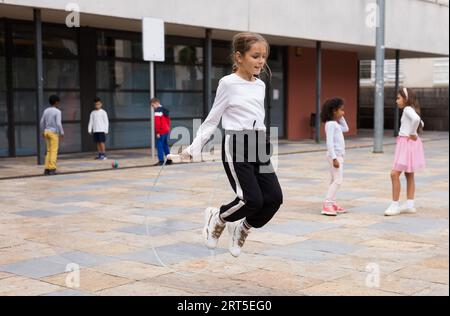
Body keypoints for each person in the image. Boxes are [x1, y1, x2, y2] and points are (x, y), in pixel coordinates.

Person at [182, 32, 283, 257]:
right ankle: (217, 218)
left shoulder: (260, 85)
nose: (261, 61)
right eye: (255, 56)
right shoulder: (227, 83)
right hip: (236, 145)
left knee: (274, 198)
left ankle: (241, 228)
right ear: (239, 57)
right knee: (251, 200)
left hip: (259, 144)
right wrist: (194, 148)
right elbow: (212, 119)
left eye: (264, 56)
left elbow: (259, 116)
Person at [385, 88, 426, 216]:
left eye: (398, 98)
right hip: (410, 143)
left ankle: (395, 205)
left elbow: (416, 120)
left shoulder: (408, 109)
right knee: (409, 174)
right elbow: (421, 122)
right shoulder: (410, 110)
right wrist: (414, 132)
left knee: (394, 174)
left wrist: (412, 133)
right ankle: (409, 205)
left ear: (406, 99)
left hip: (406, 143)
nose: (396, 101)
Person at [320, 97, 349, 216]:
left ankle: (332, 203)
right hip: (335, 156)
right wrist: (334, 158)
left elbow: (346, 128)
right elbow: (329, 142)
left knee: (333, 180)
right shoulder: (331, 124)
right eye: (341, 110)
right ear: (333, 111)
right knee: (338, 180)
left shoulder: (334, 123)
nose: (343, 112)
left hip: (338, 156)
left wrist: (341, 116)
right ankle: (327, 204)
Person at [40, 95, 64, 176]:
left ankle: (46, 169)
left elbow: (41, 122)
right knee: (54, 151)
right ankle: (52, 169)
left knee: (48, 151)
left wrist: (43, 131)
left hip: (46, 132)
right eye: (59, 102)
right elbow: (58, 123)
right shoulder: (58, 111)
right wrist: (62, 132)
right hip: (53, 133)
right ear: (56, 102)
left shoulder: (46, 110)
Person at [151, 98, 172, 166]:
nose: (152, 107)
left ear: (156, 103)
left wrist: (158, 132)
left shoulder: (157, 111)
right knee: (165, 145)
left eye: (152, 105)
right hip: (166, 130)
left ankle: (161, 160)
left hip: (161, 131)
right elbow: (168, 120)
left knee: (159, 145)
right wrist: (168, 128)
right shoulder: (164, 109)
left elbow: (157, 123)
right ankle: (169, 160)